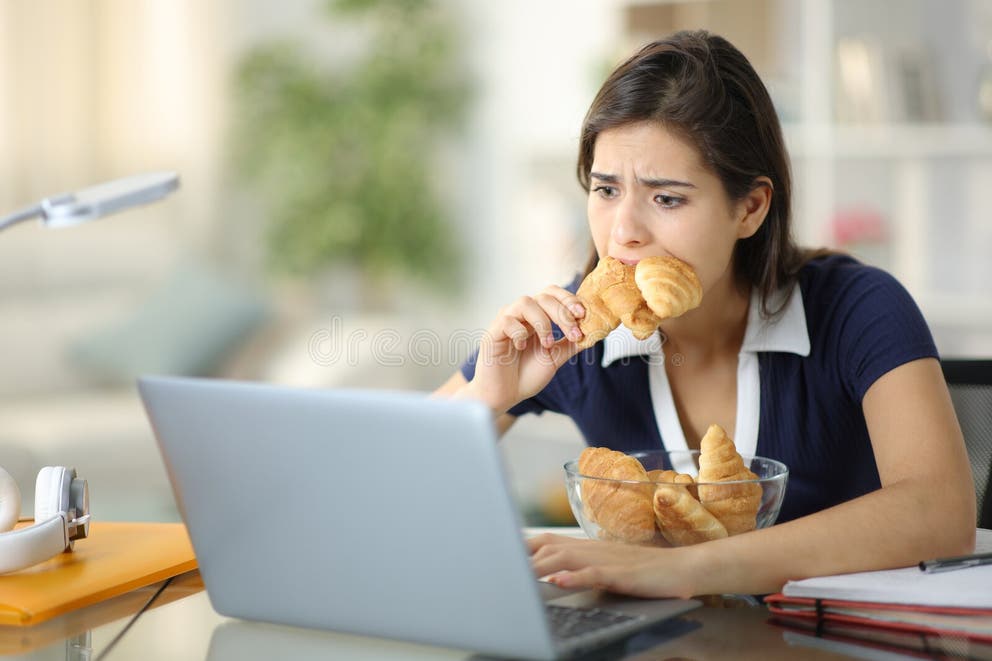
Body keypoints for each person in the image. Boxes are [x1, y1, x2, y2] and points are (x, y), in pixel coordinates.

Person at [434, 30, 976, 598]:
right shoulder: (571, 330)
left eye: (667, 198)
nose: (624, 233)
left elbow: (940, 514)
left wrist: (684, 570)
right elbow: (377, 487)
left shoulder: (858, 309)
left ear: (750, 207)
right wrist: (488, 397)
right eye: (606, 190)